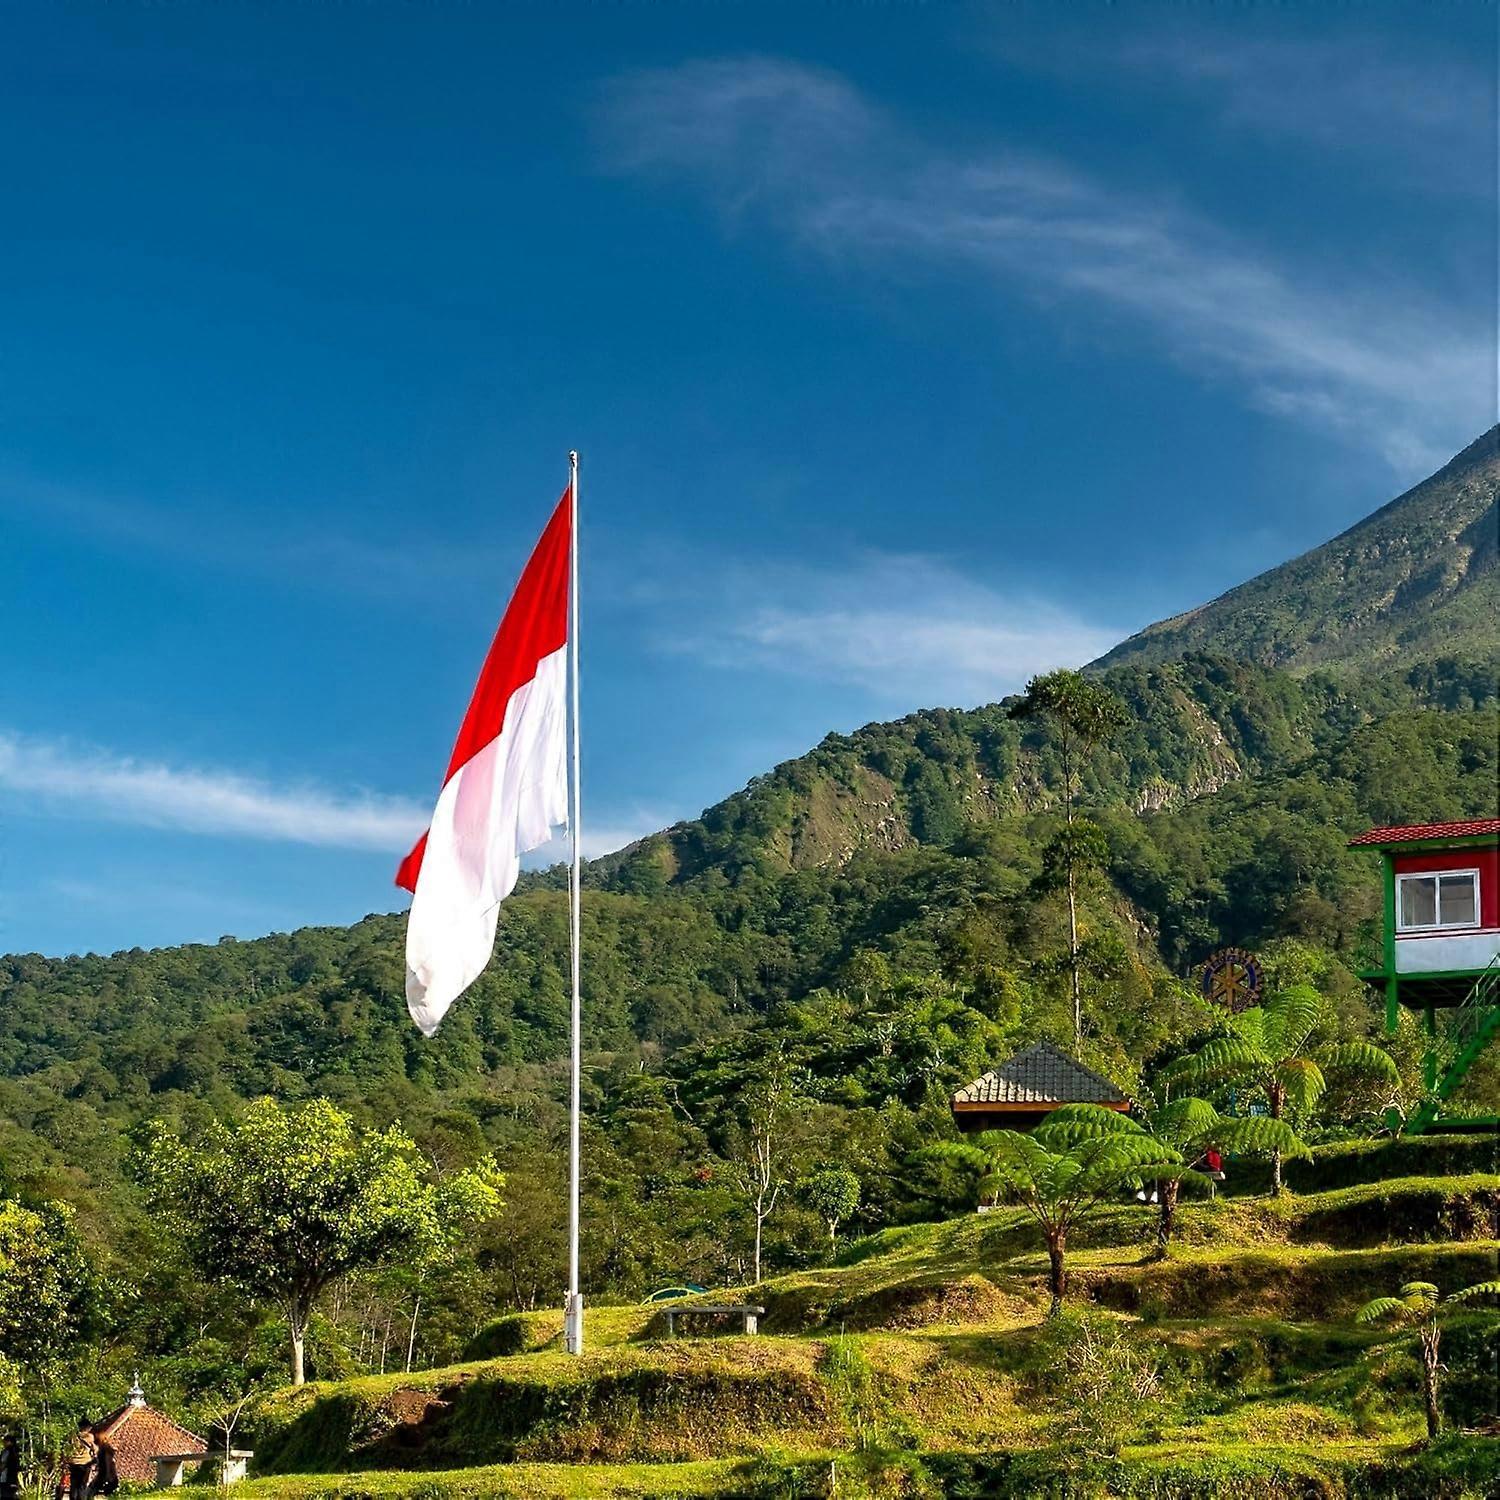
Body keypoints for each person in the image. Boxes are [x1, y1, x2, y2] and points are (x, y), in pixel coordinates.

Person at [65, 1420, 95, 1500]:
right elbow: (94, 1449)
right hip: (85, 1464)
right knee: (82, 1486)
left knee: (74, 1484)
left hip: (73, 1463)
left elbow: (67, 1449)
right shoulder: (89, 1436)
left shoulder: (72, 1436)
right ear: (87, 1427)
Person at [90, 1430, 119, 1498]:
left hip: (106, 1471)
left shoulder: (104, 1449)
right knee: (95, 1488)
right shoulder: (105, 1448)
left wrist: (106, 1474)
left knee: (94, 1488)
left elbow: (106, 1462)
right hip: (108, 1471)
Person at [0, 1434, 21, 1500]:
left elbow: (5, 1463)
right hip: (5, 1477)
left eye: (5, 1442)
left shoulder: (12, 1451)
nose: (4, 1443)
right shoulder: (5, 1451)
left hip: (9, 1477)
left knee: (8, 1495)